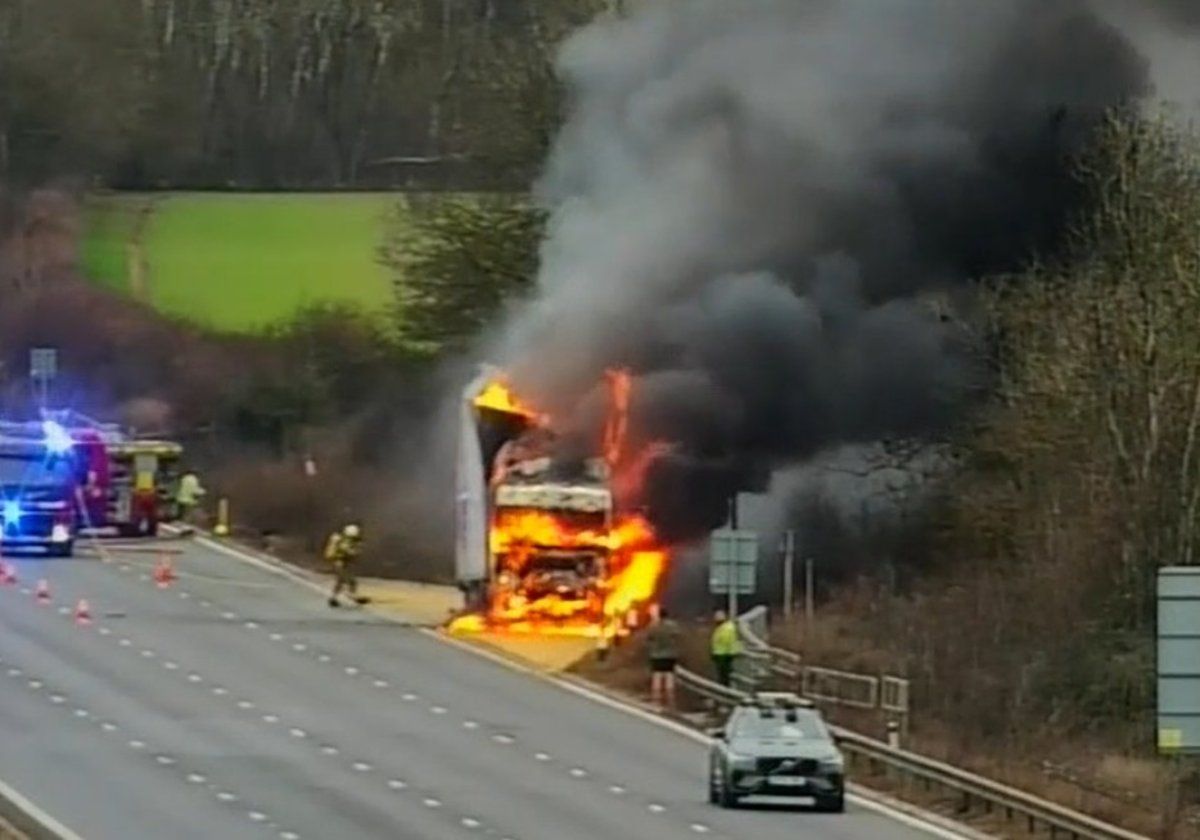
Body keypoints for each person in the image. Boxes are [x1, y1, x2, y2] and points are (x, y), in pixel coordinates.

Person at [645, 606, 682, 709]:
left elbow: (648, 638)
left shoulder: (653, 626)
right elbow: (677, 636)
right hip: (670, 655)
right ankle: (670, 698)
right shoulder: (672, 626)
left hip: (656, 655)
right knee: (669, 675)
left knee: (657, 676)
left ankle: (656, 698)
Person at [325, 523, 369, 608]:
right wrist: (354, 551)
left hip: (342, 562)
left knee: (341, 581)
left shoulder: (341, 539)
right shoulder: (345, 541)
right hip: (340, 562)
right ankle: (351, 596)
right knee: (348, 580)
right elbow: (348, 551)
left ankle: (334, 598)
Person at [710, 609, 742, 687]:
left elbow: (728, 641)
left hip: (724, 655)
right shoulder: (724, 627)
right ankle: (724, 689)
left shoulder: (726, 628)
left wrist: (731, 653)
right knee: (723, 676)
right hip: (722, 654)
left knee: (724, 676)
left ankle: (725, 690)